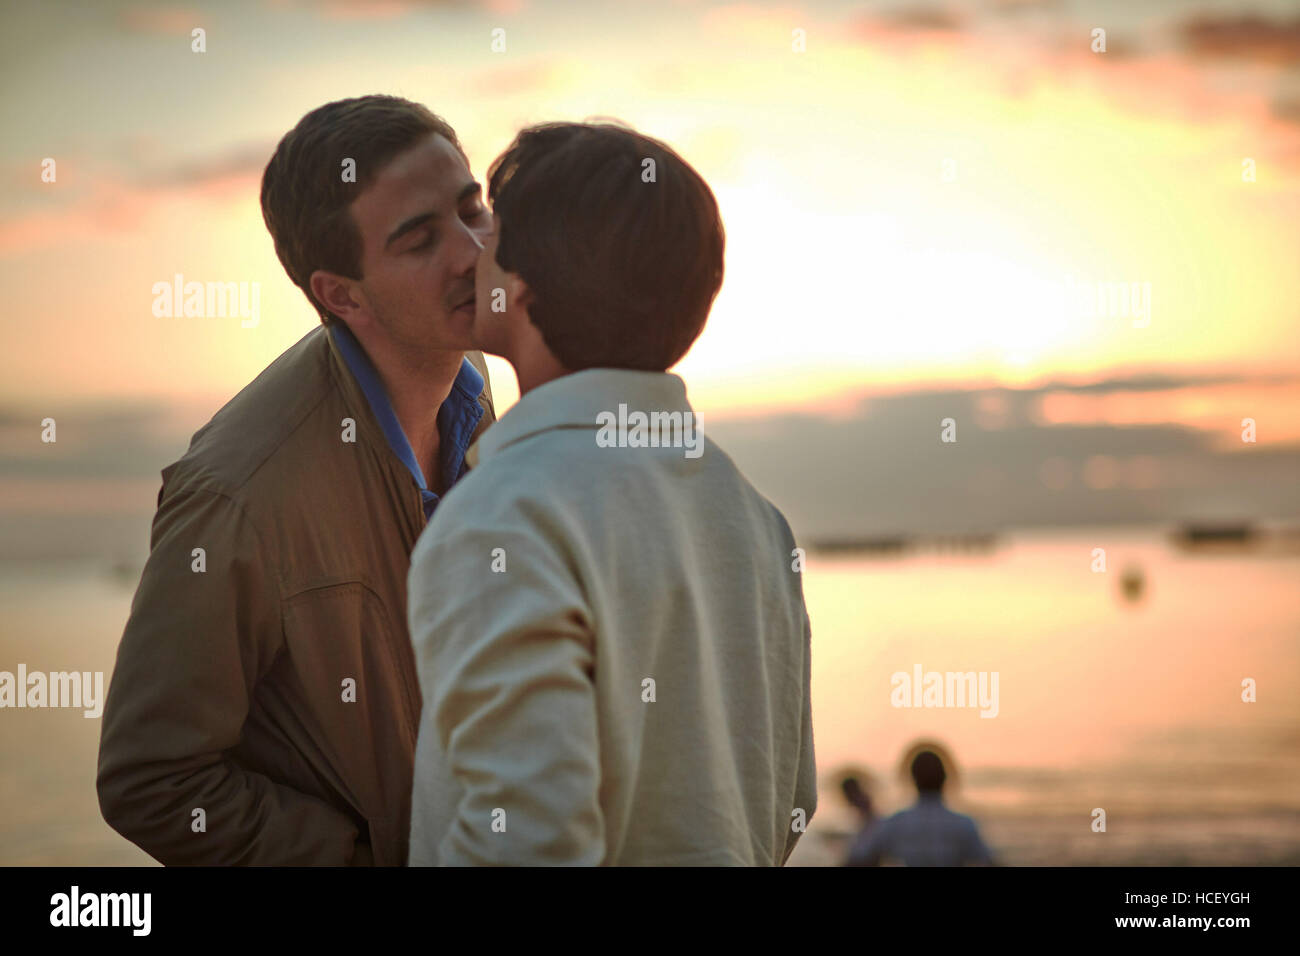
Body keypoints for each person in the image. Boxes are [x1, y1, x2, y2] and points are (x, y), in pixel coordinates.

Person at [96, 95, 496, 865]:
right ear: (341, 294)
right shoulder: (237, 497)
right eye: (420, 239)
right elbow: (151, 780)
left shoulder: (473, 384)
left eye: (470, 208)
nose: (471, 251)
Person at [406, 121, 817, 865]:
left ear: (523, 288)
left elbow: (526, 844)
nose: (473, 249)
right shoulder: (758, 521)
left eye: (494, 231)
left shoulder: (503, 519)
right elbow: (791, 801)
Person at [848, 750, 994, 866]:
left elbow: (859, 858)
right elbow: (988, 861)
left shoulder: (895, 823)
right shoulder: (964, 824)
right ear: (945, 778)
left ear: (913, 779)